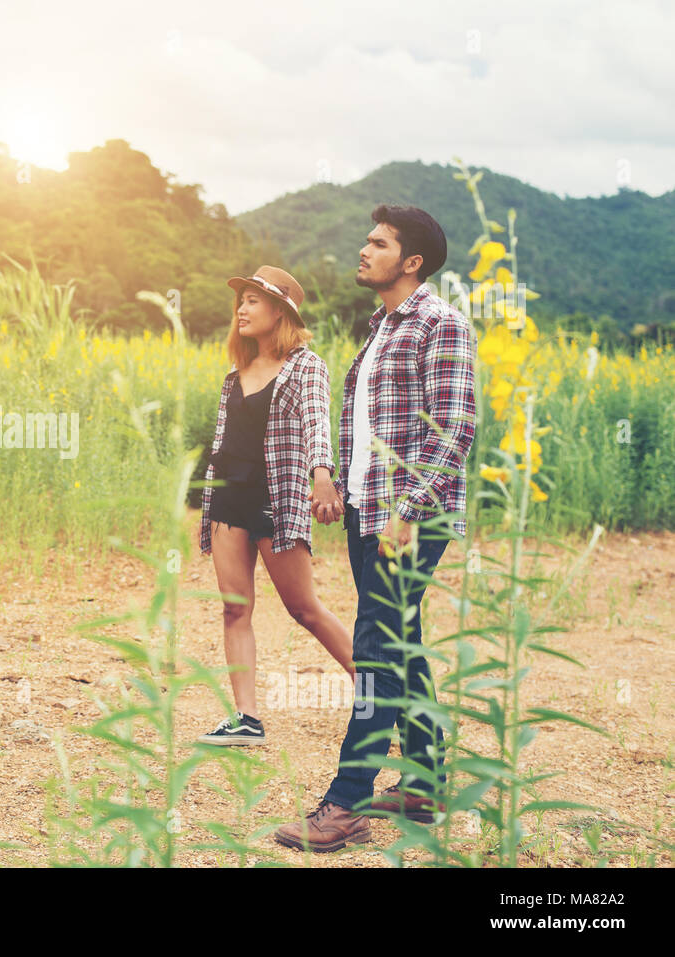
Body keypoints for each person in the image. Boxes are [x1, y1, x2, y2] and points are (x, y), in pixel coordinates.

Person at [274, 205, 477, 852]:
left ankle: (346, 801)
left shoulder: (441, 324)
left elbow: (454, 428)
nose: (363, 250)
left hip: (409, 515)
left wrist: (408, 512)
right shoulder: (381, 327)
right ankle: (425, 782)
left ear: (410, 261)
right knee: (400, 639)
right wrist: (329, 475)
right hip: (369, 506)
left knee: (378, 648)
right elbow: (359, 415)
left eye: (378, 243)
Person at [197, 265, 354, 747]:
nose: (241, 310)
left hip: (276, 499)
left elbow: (315, 423)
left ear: (279, 311)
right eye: (240, 302)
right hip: (229, 499)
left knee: (304, 608)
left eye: (252, 301)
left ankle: (385, 698)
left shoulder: (306, 365)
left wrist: (322, 476)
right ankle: (247, 718)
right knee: (234, 608)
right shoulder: (233, 375)